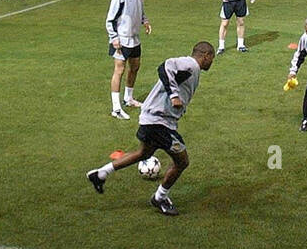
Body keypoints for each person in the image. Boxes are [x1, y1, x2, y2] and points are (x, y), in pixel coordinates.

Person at [86, 41, 216, 216]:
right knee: (182, 161)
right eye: (211, 58)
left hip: (154, 118)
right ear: (205, 55)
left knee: (143, 153)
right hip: (158, 121)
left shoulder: (193, 70)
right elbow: (165, 66)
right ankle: (160, 197)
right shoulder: (190, 64)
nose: (212, 62)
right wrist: (174, 95)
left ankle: (101, 173)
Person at [106, 0, 151, 118]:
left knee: (135, 66)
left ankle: (128, 98)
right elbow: (110, 19)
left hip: (135, 37)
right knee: (119, 70)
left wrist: (145, 20)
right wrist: (114, 38)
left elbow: (140, 7)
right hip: (121, 38)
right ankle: (116, 108)